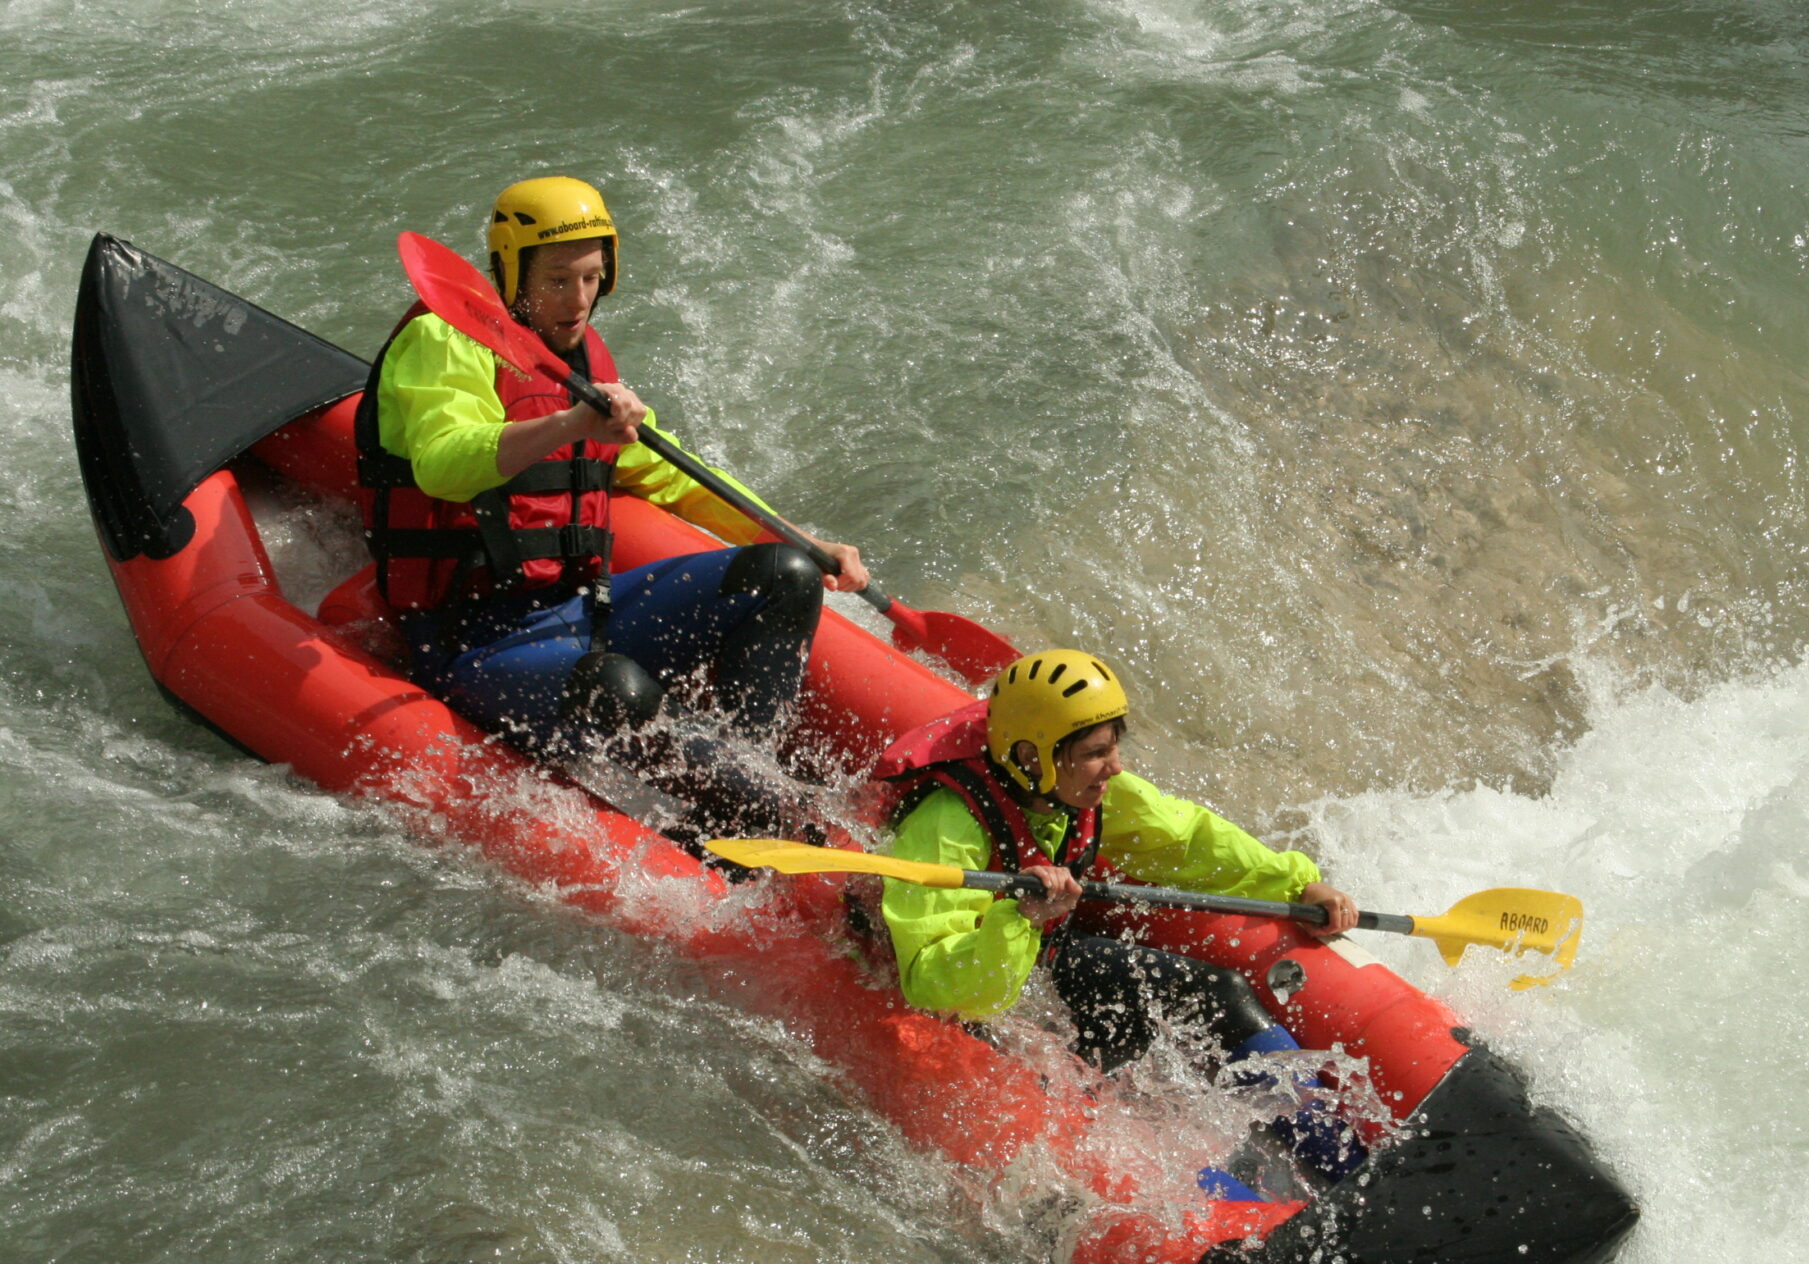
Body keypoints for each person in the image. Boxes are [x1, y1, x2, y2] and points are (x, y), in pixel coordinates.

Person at [354, 175, 868, 837]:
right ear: (510, 270)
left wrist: (804, 541)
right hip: (474, 642)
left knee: (783, 575)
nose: (578, 300)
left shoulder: (580, 361)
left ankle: (746, 784)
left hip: (583, 610)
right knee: (616, 686)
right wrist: (569, 423)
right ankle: (772, 819)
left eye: (592, 278)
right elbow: (444, 463)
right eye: (557, 280)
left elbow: (677, 475)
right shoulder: (444, 341)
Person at [869, 648, 1366, 1178]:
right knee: (1086, 1104)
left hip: (1035, 955)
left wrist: (1297, 883)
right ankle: (1221, 1202)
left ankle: (1346, 1164)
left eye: (1113, 747)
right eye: (1096, 753)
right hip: (963, 990)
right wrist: (1020, 918)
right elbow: (933, 981)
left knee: (1219, 994)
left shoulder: (1090, 790)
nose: (1115, 766)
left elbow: (1185, 839)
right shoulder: (947, 825)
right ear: (1033, 757)